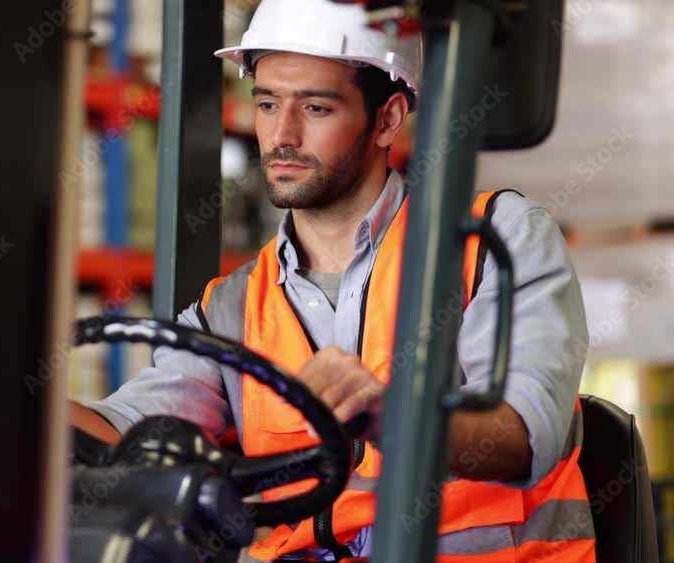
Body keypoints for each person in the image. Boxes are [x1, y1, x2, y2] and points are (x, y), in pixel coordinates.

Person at [72, 0, 595, 561]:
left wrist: (391, 416)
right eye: (267, 104)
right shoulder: (230, 309)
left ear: (388, 119)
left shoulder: (494, 241)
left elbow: (524, 435)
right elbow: (126, 432)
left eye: (316, 107)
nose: (282, 134)